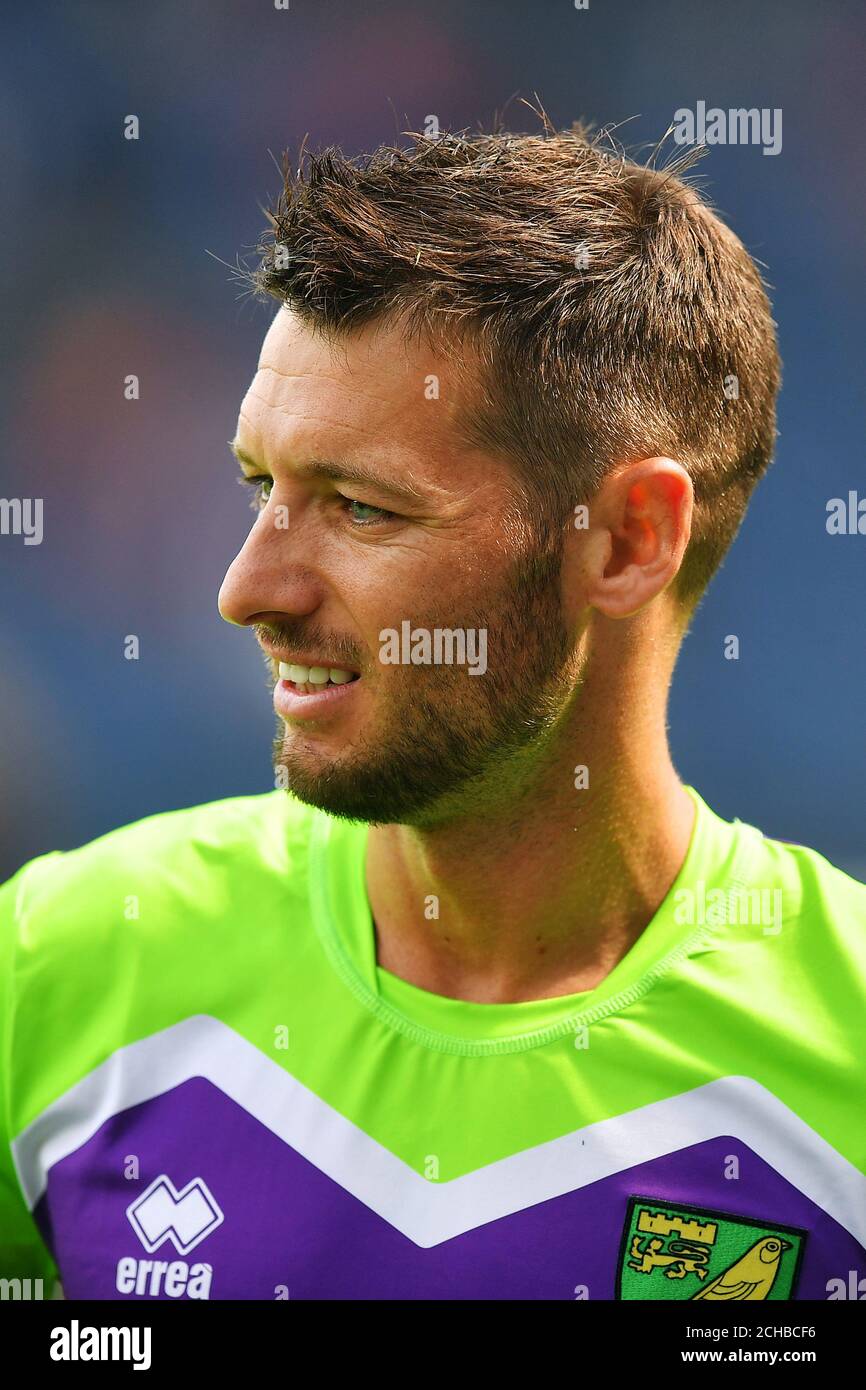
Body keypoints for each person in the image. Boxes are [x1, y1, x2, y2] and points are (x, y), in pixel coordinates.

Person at [1, 126, 863, 1302]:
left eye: (360, 509)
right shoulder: (60, 967)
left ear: (625, 540)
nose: (246, 589)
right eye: (264, 487)